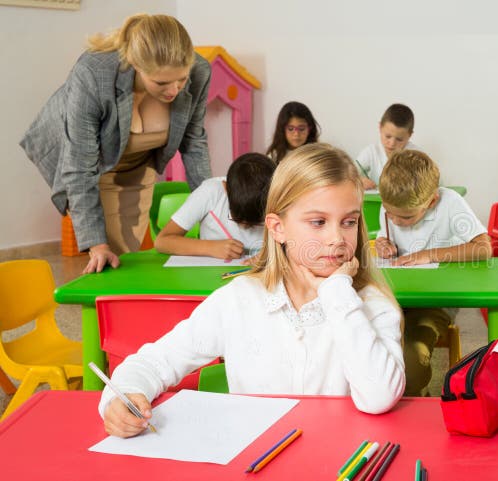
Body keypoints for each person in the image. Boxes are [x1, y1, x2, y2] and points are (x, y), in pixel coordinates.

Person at [99, 143, 405, 438]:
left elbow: (379, 396)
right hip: (257, 460)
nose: (336, 238)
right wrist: (123, 396)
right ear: (277, 227)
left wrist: (337, 294)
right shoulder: (239, 299)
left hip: (338, 460)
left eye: (349, 222)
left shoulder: (371, 304)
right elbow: (154, 362)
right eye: (318, 222)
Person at [20, 14, 212, 274]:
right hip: (94, 164)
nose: (173, 91)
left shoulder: (199, 71)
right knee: (107, 254)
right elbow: (79, 167)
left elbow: (194, 143)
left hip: (140, 164)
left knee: (126, 253)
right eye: (161, 82)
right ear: (136, 64)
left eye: (181, 80)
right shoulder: (93, 73)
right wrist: (96, 244)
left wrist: (212, 208)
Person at [375, 150, 491, 396]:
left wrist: (429, 254)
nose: (394, 220)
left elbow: (483, 248)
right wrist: (383, 244)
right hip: (394, 298)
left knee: (411, 359)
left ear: (431, 202)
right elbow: (385, 240)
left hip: (433, 303)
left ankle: (416, 401)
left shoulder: (449, 203)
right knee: (368, 349)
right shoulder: (392, 206)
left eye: (406, 216)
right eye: (388, 212)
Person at [154, 152, 276, 261]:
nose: (245, 228)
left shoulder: (280, 194)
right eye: (238, 220)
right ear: (226, 189)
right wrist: (211, 247)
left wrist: (273, 256)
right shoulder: (210, 192)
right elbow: (162, 241)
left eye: (255, 223)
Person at [355, 103, 421, 189]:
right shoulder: (371, 152)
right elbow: (348, 175)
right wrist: (359, 181)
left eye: (399, 139)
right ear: (380, 128)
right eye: (388, 136)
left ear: (409, 135)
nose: (392, 143)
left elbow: (430, 183)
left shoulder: (416, 155)